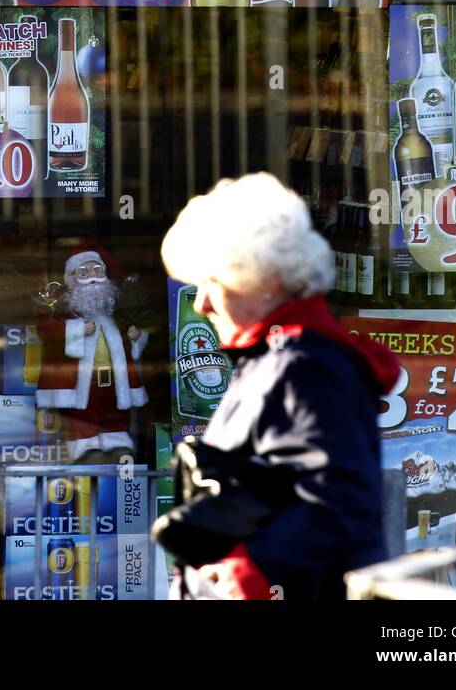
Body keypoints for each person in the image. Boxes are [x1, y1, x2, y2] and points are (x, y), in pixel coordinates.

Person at [152, 174, 400, 600]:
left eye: (214, 283)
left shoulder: (299, 366)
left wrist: (249, 573)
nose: (201, 304)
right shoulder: (279, 359)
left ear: (263, 280)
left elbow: (339, 502)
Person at [35, 243, 149, 462]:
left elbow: (128, 340)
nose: (92, 277)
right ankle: (86, 446)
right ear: (72, 278)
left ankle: (116, 442)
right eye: (84, 272)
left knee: (114, 410)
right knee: (82, 412)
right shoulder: (66, 312)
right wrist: (77, 330)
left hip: (113, 377)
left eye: (97, 271)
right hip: (79, 377)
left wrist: (137, 338)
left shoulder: (114, 315)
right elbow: (48, 332)